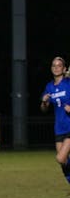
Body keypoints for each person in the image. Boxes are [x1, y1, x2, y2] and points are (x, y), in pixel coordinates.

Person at [39, 56, 70, 186]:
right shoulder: (49, 87)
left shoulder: (68, 83)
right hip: (59, 128)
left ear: (63, 69)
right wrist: (44, 102)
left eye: (59, 66)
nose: (56, 68)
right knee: (63, 162)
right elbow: (43, 109)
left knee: (60, 158)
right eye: (54, 65)